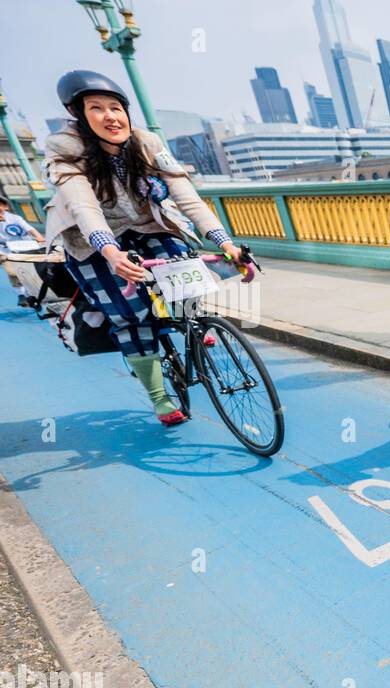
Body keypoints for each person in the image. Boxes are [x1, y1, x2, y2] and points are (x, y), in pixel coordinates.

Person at [41, 70, 244, 426]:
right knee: (131, 314)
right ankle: (159, 397)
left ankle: (189, 322)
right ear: (78, 114)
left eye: (116, 108)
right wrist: (111, 253)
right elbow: (85, 209)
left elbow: (186, 197)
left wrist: (224, 241)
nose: (110, 117)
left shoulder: (147, 143)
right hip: (91, 241)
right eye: (96, 108)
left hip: (146, 225)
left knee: (184, 272)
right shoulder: (65, 152)